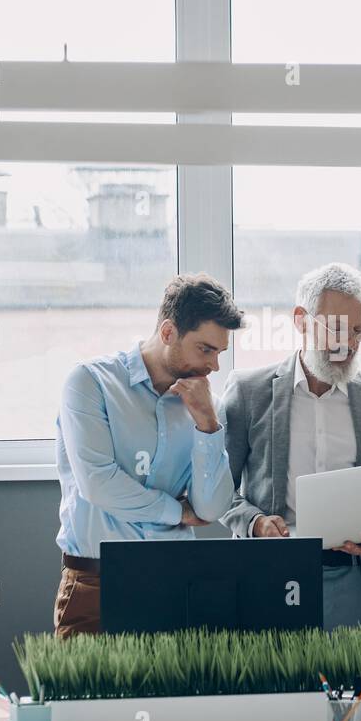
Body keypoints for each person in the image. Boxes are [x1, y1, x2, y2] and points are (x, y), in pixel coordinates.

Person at [52, 273, 244, 637]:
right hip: (96, 582)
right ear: (168, 332)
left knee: (174, 695)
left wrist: (206, 424)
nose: (214, 366)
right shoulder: (90, 383)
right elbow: (98, 483)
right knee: (84, 694)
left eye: (220, 353)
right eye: (205, 349)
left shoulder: (205, 405)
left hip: (175, 582)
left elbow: (210, 510)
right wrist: (175, 512)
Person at [221, 263, 361, 630]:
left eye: (357, 330)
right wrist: (255, 522)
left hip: (354, 580)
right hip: (270, 574)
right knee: (274, 684)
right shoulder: (247, 392)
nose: (349, 342)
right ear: (301, 321)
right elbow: (218, 490)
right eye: (337, 327)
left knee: (358, 684)